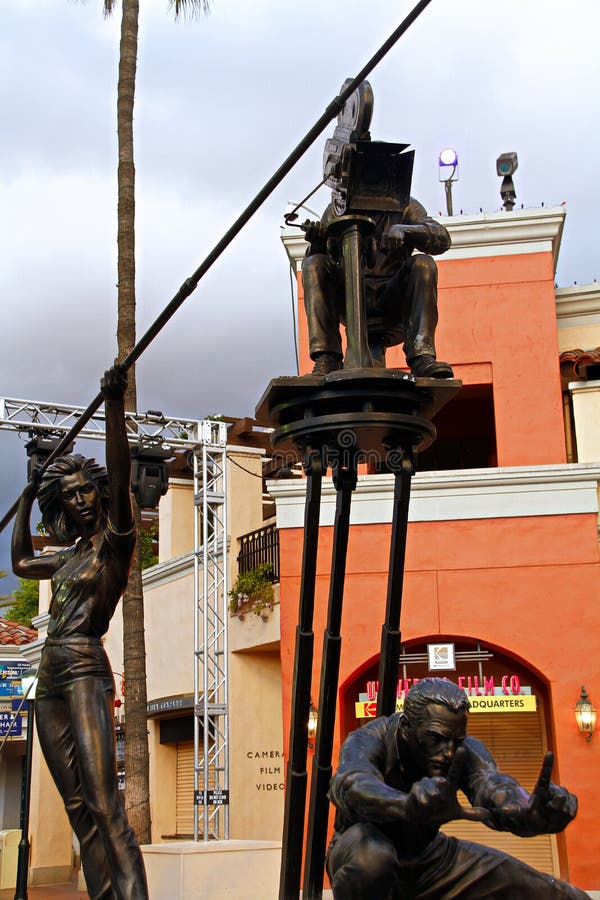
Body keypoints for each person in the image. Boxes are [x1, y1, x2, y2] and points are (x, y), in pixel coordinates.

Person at [12, 366, 148, 900]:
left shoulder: (115, 544)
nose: (85, 499)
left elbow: (120, 475)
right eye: (72, 496)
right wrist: (25, 502)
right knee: (76, 807)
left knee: (103, 801)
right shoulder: (67, 558)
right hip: (49, 675)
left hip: (86, 667)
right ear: (63, 506)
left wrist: (113, 409)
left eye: (87, 490)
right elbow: (23, 561)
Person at [327, 677, 587, 899]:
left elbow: (492, 787)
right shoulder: (369, 738)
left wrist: (529, 812)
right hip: (360, 848)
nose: (448, 752)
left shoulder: (464, 750)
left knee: (563, 896)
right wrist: (406, 805)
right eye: (436, 739)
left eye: (457, 741)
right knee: (373, 859)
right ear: (406, 727)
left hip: (430, 859)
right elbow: (351, 783)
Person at [302, 198, 454, 378]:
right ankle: (328, 358)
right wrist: (317, 243)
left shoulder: (404, 205)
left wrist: (406, 230)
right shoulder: (337, 209)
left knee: (423, 264)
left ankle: (422, 356)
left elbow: (442, 238)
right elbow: (316, 272)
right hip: (351, 302)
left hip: (391, 301)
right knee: (313, 264)